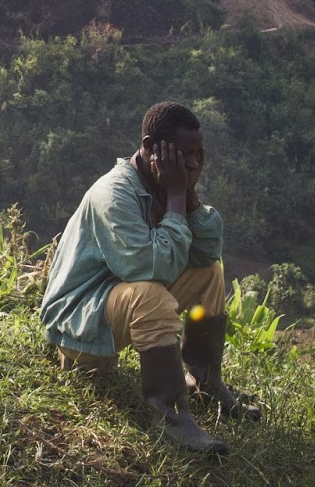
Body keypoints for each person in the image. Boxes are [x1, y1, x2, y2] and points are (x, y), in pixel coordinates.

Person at [38, 101, 259, 454]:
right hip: (80, 326)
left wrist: (188, 195)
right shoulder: (114, 194)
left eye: (198, 154)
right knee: (151, 295)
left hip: (115, 304)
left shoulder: (165, 184)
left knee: (209, 271)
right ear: (152, 147)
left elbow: (205, 253)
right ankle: (173, 417)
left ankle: (204, 382)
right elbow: (149, 269)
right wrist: (174, 195)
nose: (192, 163)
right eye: (183, 154)